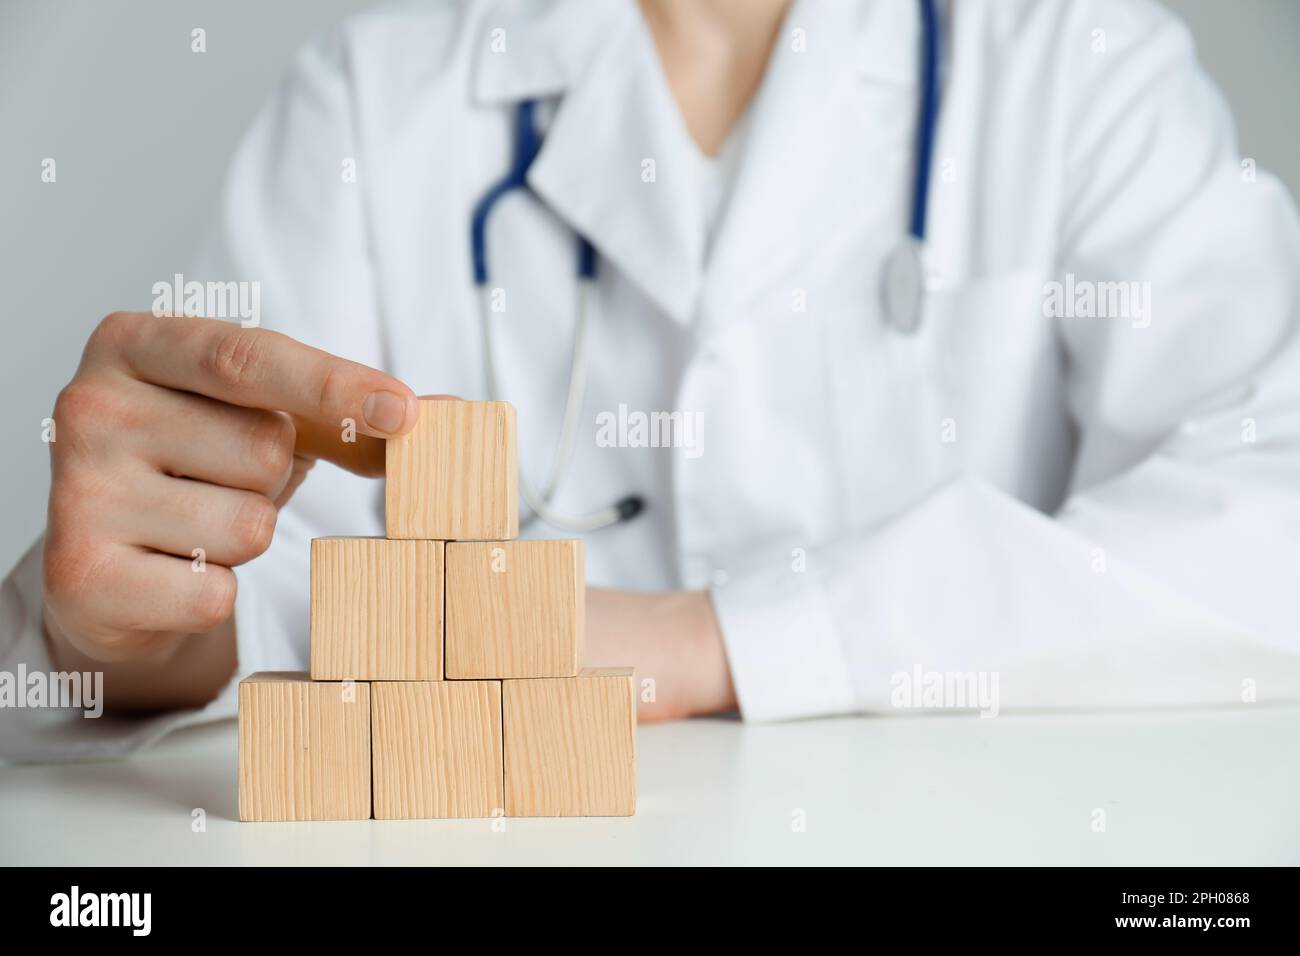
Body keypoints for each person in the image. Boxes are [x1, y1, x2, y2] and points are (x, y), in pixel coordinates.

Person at [4, 0, 1300, 761]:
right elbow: (265, 593)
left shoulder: (1079, 60)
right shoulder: (376, 99)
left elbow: (1275, 515)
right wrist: (123, 632)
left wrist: (711, 641)